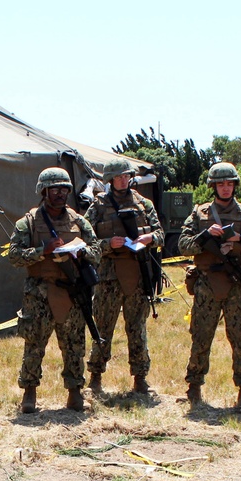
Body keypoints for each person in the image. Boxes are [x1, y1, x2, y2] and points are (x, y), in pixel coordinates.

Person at [178, 162, 241, 410]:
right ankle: (194, 387)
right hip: (207, 282)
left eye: (229, 183)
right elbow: (182, 245)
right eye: (221, 184)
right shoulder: (199, 214)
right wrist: (205, 236)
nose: (226, 188)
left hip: (237, 285)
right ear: (213, 186)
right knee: (201, 335)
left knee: (240, 337)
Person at [8, 167, 101, 413]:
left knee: (74, 344)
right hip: (39, 292)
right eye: (55, 189)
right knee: (34, 344)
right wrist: (43, 251)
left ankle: (74, 392)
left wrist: (82, 252)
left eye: (64, 189)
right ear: (43, 191)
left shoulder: (79, 221)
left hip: (71, 291)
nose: (60, 194)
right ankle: (29, 394)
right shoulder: (27, 222)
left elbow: (97, 251)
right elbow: (14, 255)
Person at [84, 158, 164, 395]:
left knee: (137, 327)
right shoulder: (98, 206)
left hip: (138, 275)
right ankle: (96, 376)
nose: (123, 180)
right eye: (118, 177)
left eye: (126, 176)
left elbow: (160, 232)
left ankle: (140, 377)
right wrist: (108, 243)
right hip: (109, 277)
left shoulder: (144, 204)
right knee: (103, 327)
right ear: (110, 179)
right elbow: (85, 241)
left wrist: (150, 239)